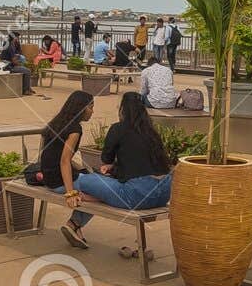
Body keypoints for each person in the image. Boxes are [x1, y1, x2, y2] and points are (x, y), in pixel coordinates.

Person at [63, 92, 173, 253]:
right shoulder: (151, 132)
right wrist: (115, 167)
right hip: (163, 193)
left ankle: (75, 221)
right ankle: (74, 224)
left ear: (122, 110)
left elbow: (105, 157)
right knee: (104, 186)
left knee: (85, 180)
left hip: (138, 196)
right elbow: (140, 162)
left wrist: (111, 165)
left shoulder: (118, 128)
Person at [26, 91, 95, 227]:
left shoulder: (56, 123)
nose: (92, 112)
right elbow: (64, 161)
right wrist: (70, 193)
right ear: (81, 108)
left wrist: (81, 169)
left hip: (48, 178)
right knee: (104, 191)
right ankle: (74, 224)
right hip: (59, 182)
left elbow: (53, 156)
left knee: (92, 179)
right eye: (91, 107)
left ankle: (75, 226)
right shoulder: (75, 130)